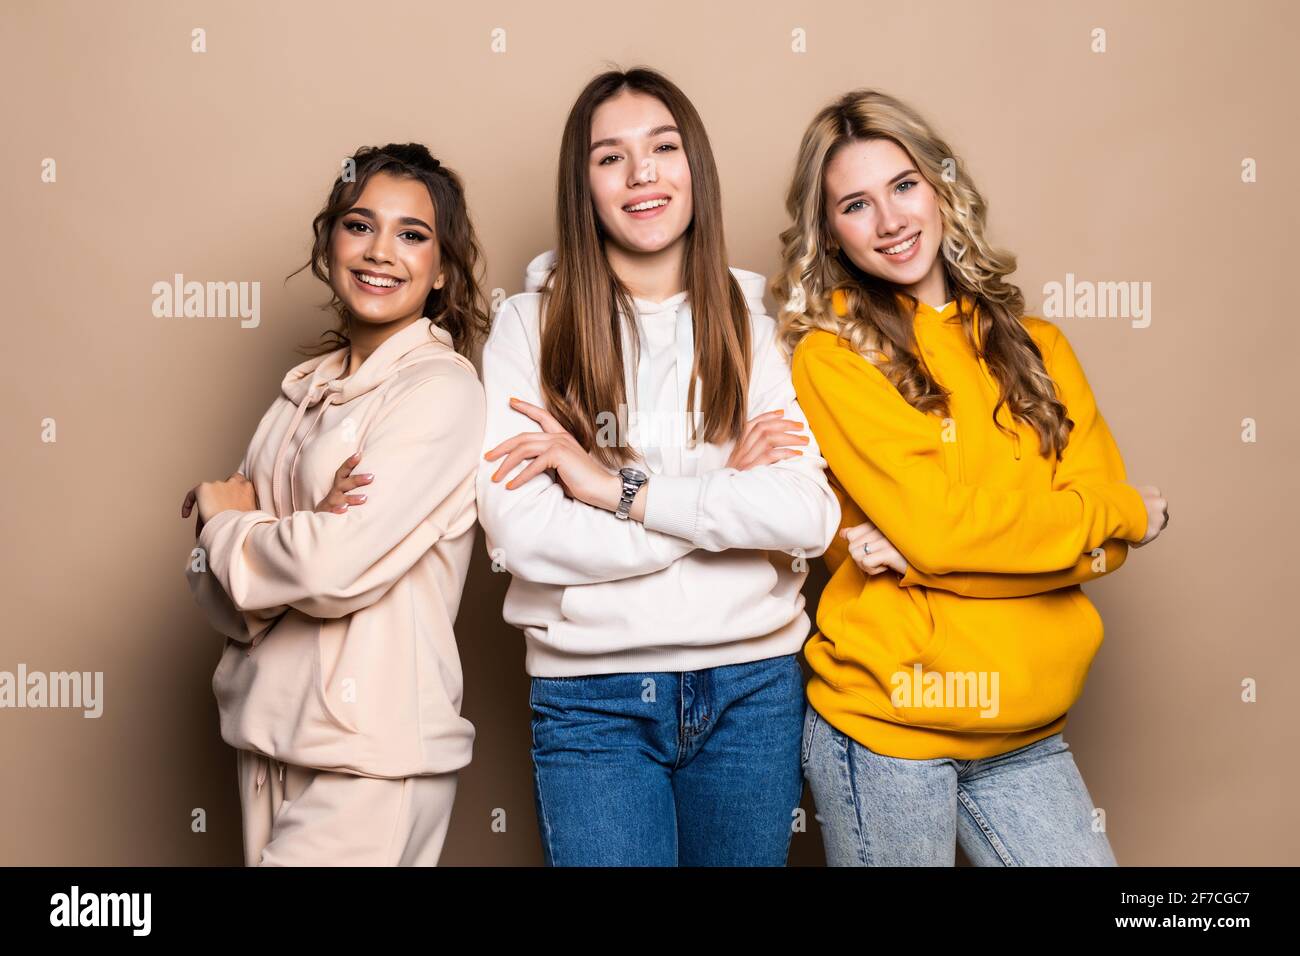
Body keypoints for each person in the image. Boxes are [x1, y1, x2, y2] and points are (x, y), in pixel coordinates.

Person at [775, 89, 1170, 866]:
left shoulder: (1039, 346)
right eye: (855, 204)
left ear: (940, 186)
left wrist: (930, 560)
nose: (890, 221)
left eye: (904, 186)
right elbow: (949, 531)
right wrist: (1111, 512)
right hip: (892, 727)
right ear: (830, 234)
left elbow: (1100, 552)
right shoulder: (837, 357)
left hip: (1028, 727)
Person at [476, 68, 841, 866]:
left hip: (753, 688)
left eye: (664, 148)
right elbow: (522, 535)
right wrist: (712, 504)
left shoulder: (758, 322)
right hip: (591, 700)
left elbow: (807, 518)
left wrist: (616, 490)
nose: (642, 174)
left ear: (694, 167)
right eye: (611, 157)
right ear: (584, 187)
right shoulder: (526, 328)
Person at [181, 143, 488, 866]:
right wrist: (275, 538)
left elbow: (328, 570)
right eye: (360, 225)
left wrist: (229, 520)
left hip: (370, 759)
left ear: (442, 268)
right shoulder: (302, 392)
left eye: (412, 235)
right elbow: (215, 588)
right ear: (329, 242)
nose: (381, 252)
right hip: (266, 737)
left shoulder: (439, 392)